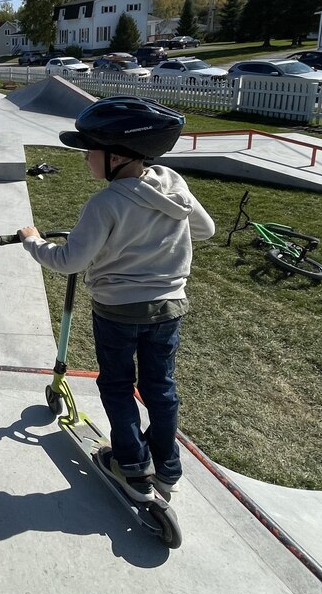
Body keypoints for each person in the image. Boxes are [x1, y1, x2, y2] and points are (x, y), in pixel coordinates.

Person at [17, 96, 215, 504]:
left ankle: (133, 467)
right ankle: (168, 467)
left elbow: (70, 260)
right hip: (169, 308)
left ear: (119, 157)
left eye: (91, 150)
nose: (86, 157)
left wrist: (33, 243)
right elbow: (205, 229)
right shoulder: (173, 184)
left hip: (118, 311)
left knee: (118, 386)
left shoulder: (106, 203)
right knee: (160, 388)